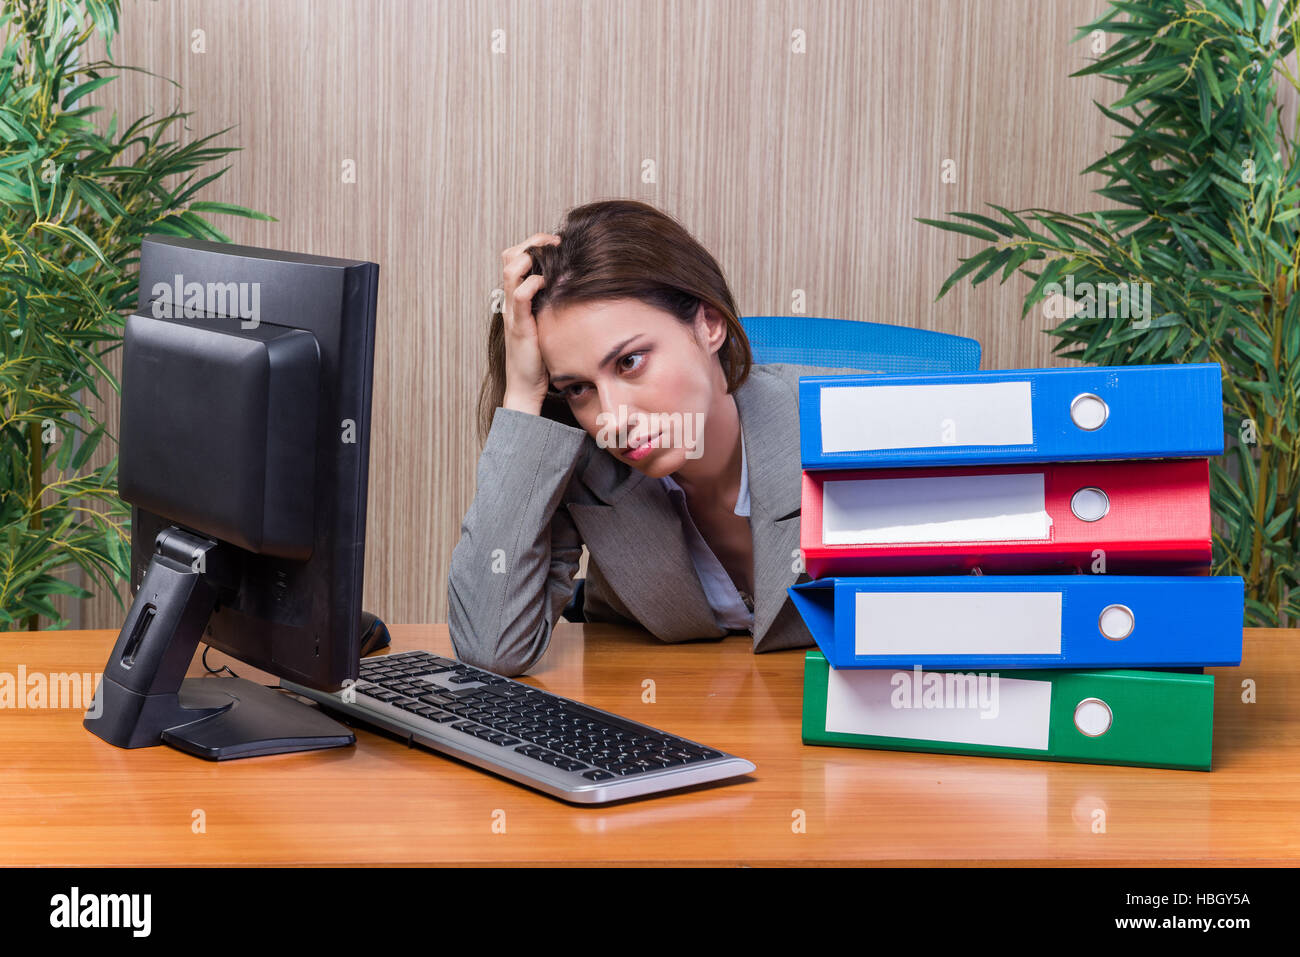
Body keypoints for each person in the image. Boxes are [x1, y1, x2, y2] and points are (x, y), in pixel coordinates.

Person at [448, 199, 850, 676]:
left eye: (630, 362)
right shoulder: (583, 462)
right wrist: (521, 393)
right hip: (659, 721)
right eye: (578, 388)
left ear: (709, 324)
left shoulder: (846, 424)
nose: (613, 419)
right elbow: (487, 649)